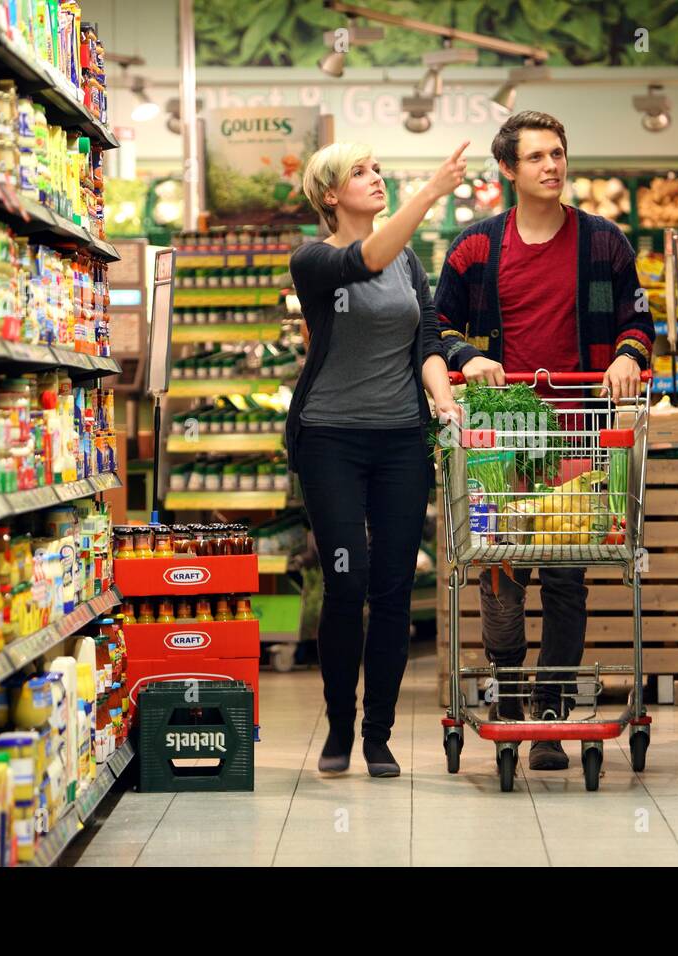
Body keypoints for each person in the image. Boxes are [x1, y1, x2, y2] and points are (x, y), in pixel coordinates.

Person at [434, 111, 653, 770]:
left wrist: (625, 355)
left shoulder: (604, 243)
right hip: (499, 436)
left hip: (580, 431)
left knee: (565, 577)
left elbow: (637, 317)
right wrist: (467, 355)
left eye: (558, 153)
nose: (552, 166)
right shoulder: (475, 248)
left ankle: (553, 711)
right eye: (535, 157)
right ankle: (506, 696)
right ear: (508, 169)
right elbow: (434, 326)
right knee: (502, 574)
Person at [288, 140, 468, 777]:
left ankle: (378, 734)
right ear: (329, 195)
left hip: (399, 442)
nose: (376, 178)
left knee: (393, 589)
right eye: (360, 173)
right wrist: (431, 191)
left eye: (378, 169)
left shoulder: (409, 261)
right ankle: (339, 724)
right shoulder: (313, 260)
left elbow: (425, 338)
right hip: (330, 439)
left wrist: (444, 400)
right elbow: (364, 260)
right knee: (346, 582)